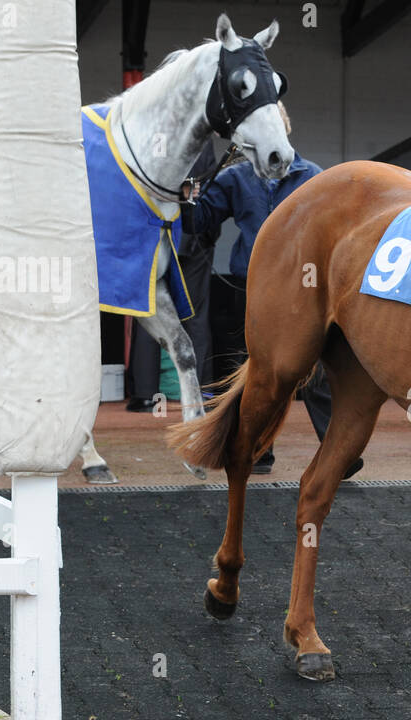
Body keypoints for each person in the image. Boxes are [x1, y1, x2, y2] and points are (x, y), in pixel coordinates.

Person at [181, 108, 359, 478]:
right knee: (257, 373)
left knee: (318, 373)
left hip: (305, 290)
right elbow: (199, 223)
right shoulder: (233, 179)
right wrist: (188, 199)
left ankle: (340, 454)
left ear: (284, 128)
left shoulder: (314, 179)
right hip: (253, 291)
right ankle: (258, 452)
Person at [128, 142, 218, 411]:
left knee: (148, 311)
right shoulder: (201, 141)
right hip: (192, 235)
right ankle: (198, 389)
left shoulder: (152, 135)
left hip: (153, 233)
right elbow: (210, 185)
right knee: (196, 316)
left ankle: (145, 394)